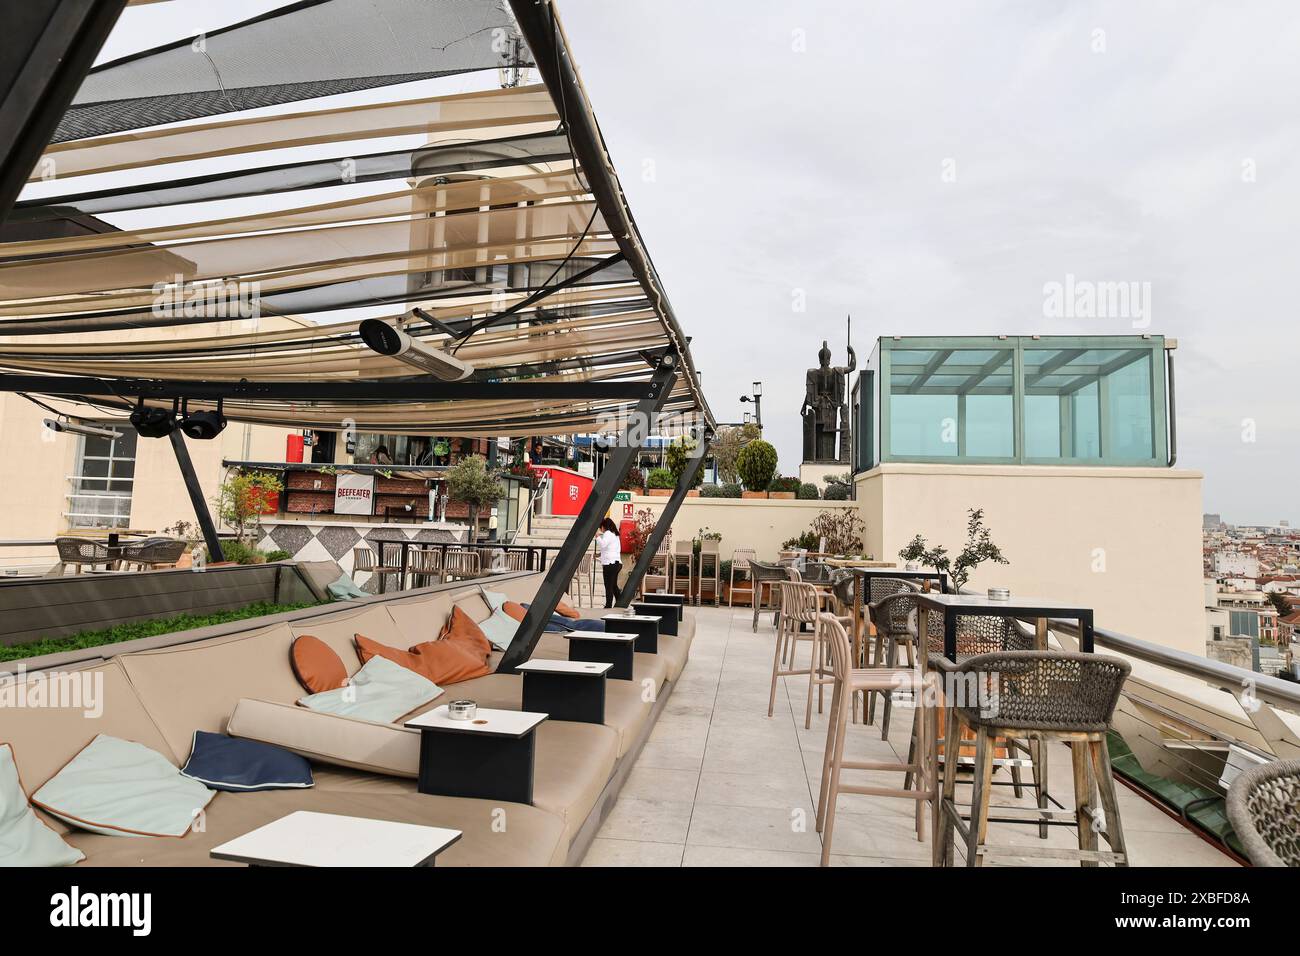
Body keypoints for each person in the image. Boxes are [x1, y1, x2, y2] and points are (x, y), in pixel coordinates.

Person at [596, 517, 622, 608]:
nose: (601, 529)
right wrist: (599, 554)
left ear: (604, 526)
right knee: (613, 585)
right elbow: (610, 548)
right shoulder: (615, 535)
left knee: (608, 585)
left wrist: (597, 536)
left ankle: (608, 605)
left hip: (610, 564)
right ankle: (620, 602)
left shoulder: (607, 533)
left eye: (601, 527)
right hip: (617, 563)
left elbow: (603, 544)